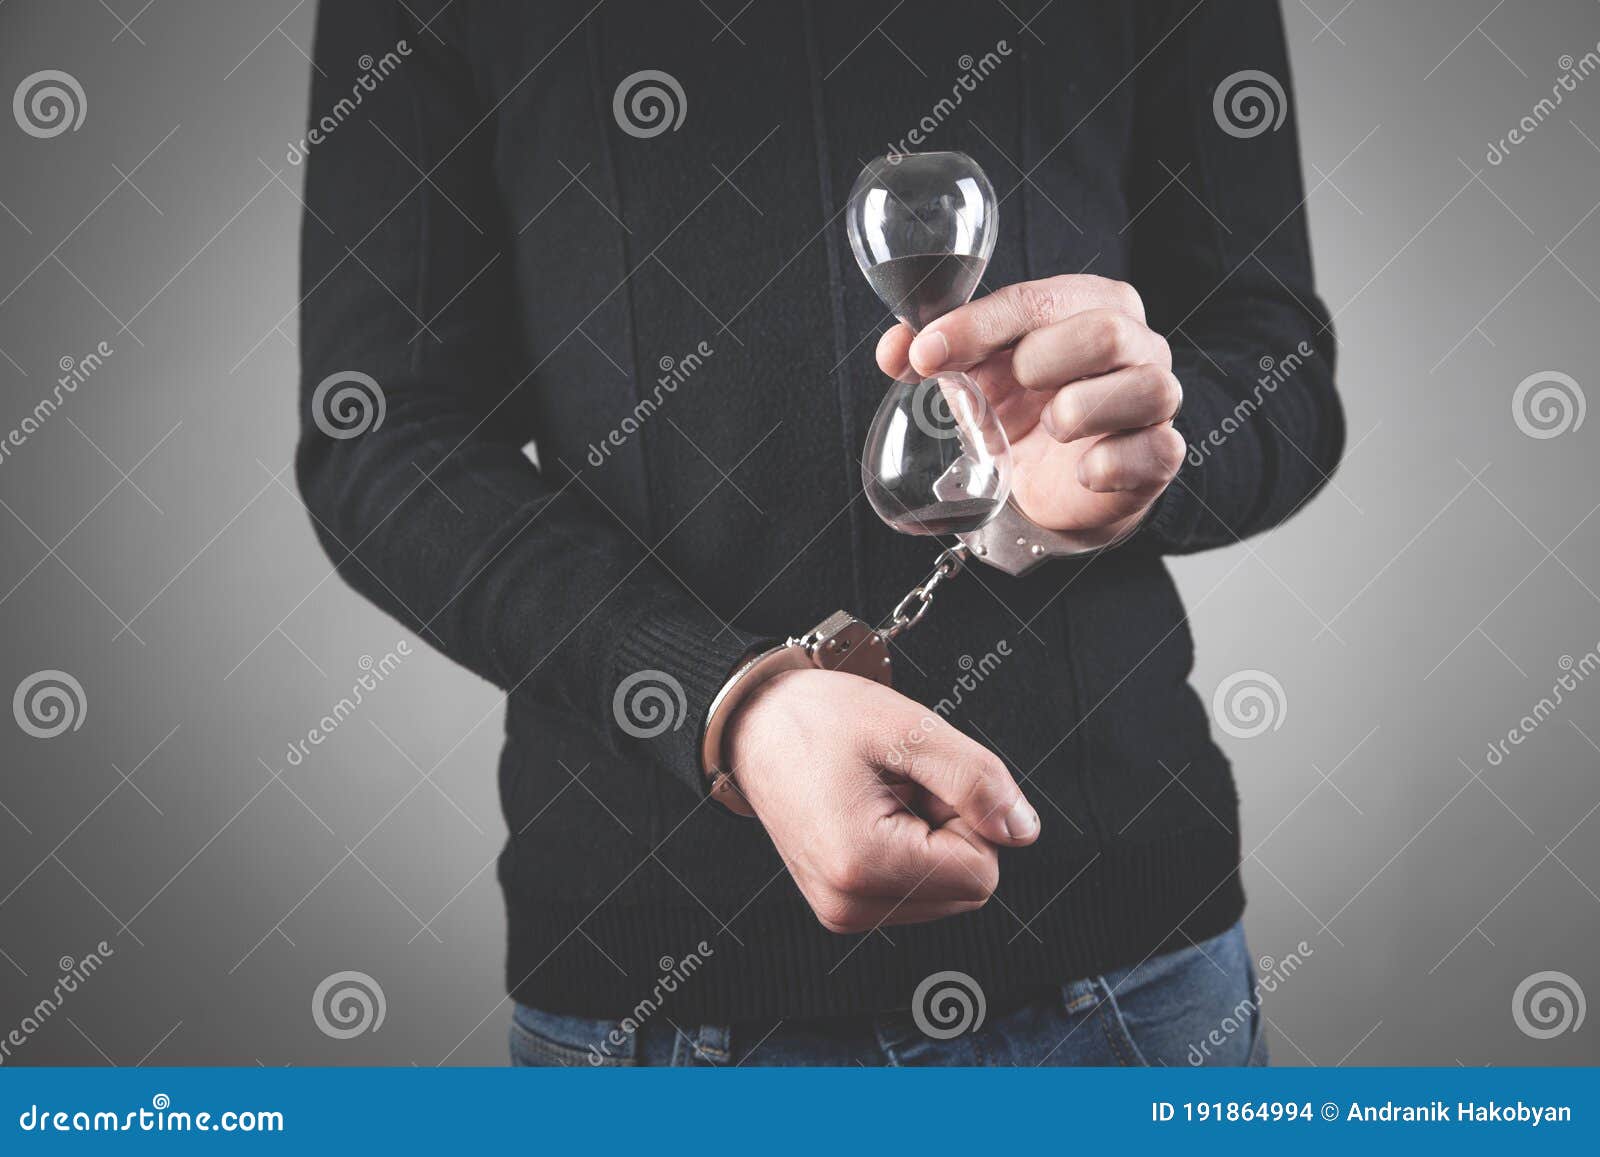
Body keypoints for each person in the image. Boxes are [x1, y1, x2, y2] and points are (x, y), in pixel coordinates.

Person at [297, 0, 1342, 1066]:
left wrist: (1128, 449)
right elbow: (380, 440)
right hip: (667, 974)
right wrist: (715, 696)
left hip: (1123, 954)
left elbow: (1280, 368)